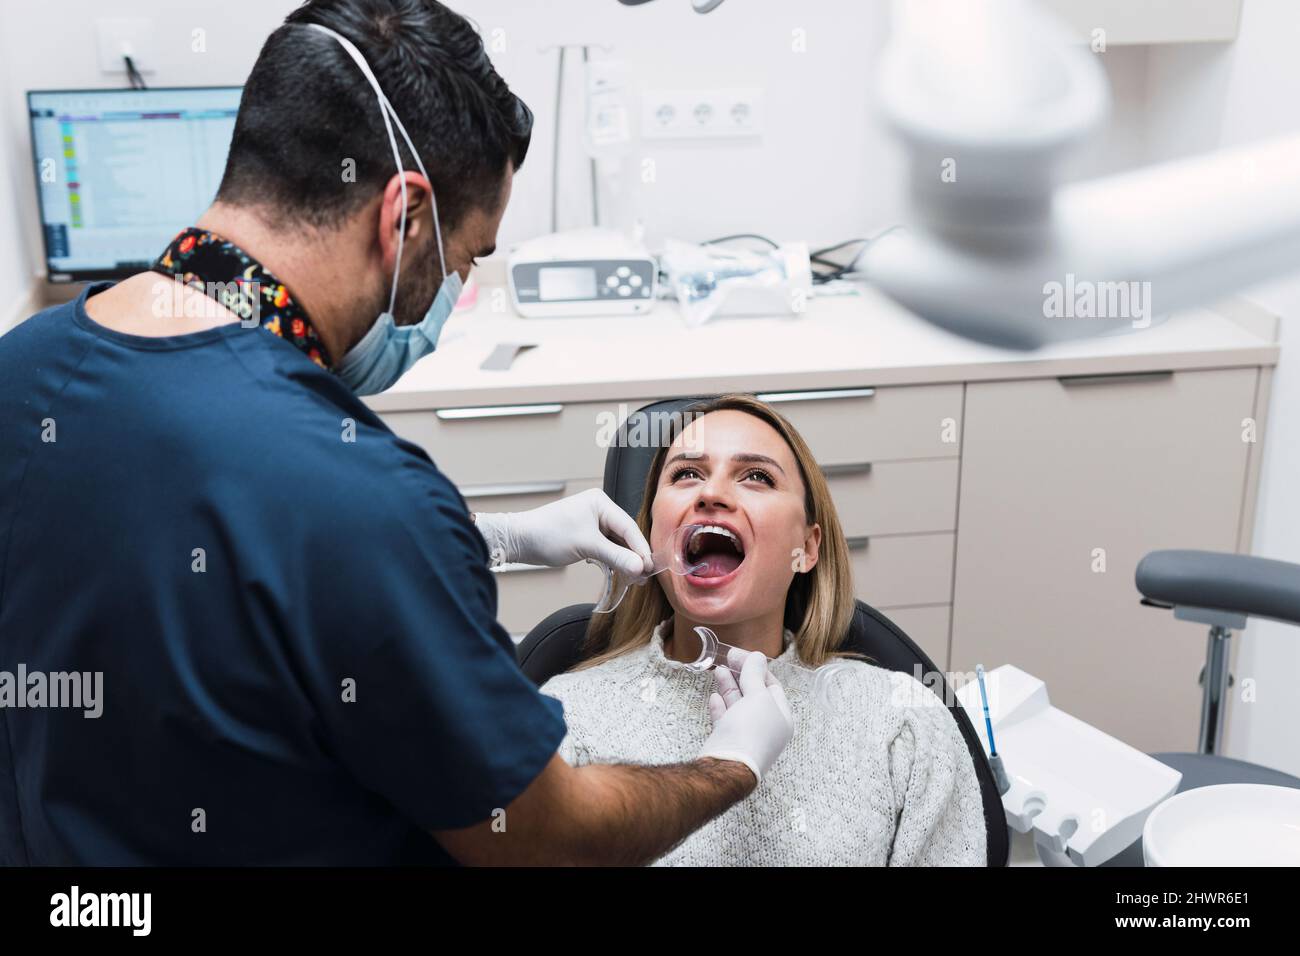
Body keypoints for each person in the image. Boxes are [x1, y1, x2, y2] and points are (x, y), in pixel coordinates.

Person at [0, 0, 794, 866]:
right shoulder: (368, 499)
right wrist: (729, 763)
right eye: (467, 259)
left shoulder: (24, 370)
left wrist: (495, 538)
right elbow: (542, 841)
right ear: (403, 215)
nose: (456, 292)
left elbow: (193, 568)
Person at [541, 394, 988, 865]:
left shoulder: (900, 721)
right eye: (686, 474)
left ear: (808, 547)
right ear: (650, 532)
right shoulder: (565, 719)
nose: (709, 494)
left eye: (757, 476)